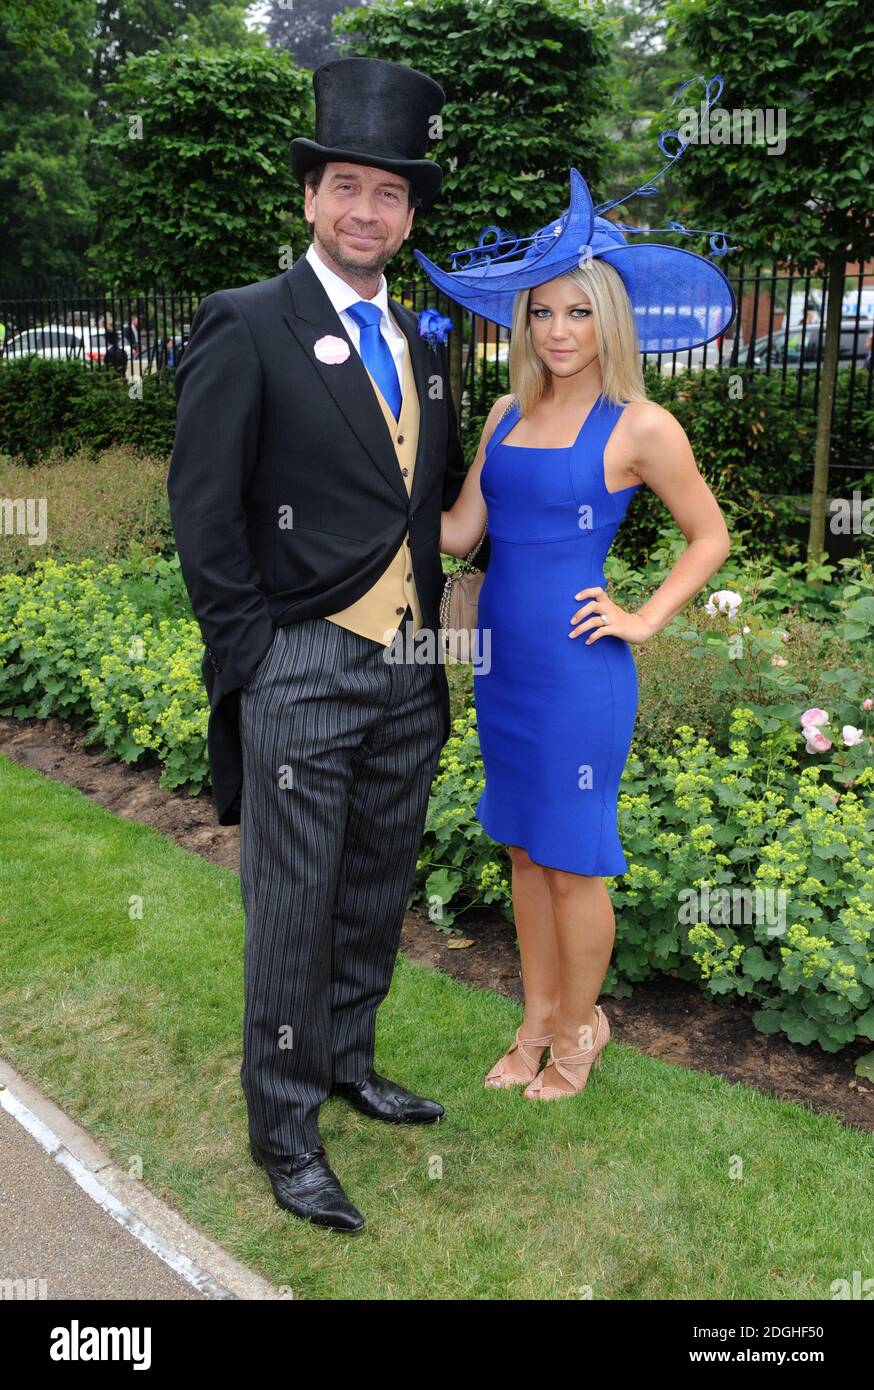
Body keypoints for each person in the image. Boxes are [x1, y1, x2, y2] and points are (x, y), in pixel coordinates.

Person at [167, 57, 467, 1232]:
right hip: (300, 662)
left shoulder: (425, 346)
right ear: (309, 198)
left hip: (404, 674)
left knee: (371, 890)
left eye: (388, 195)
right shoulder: (247, 324)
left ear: (407, 216)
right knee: (291, 905)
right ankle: (283, 1126)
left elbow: (419, 510)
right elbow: (203, 512)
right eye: (346, 186)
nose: (365, 212)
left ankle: (348, 1059)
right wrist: (253, 661)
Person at [416, 162, 736, 1100]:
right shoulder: (507, 413)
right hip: (504, 667)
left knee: (571, 859)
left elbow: (709, 535)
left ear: (610, 320)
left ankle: (580, 1031)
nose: (559, 331)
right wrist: (363, 476)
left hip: (580, 670)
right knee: (522, 847)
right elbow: (460, 533)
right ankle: (538, 1019)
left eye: (579, 313)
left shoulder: (641, 426)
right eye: (543, 313)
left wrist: (643, 616)